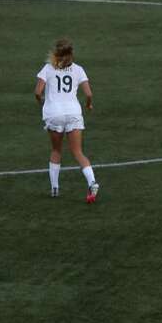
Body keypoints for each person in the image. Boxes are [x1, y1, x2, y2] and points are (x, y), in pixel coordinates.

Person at [34, 38, 99, 202]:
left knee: (56, 150)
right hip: (73, 113)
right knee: (78, 152)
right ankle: (92, 181)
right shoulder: (78, 70)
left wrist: (41, 101)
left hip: (54, 113)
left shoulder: (48, 68)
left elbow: (37, 91)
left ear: (56, 53)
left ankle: (55, 188)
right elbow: (89, 94)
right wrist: (89, 105)